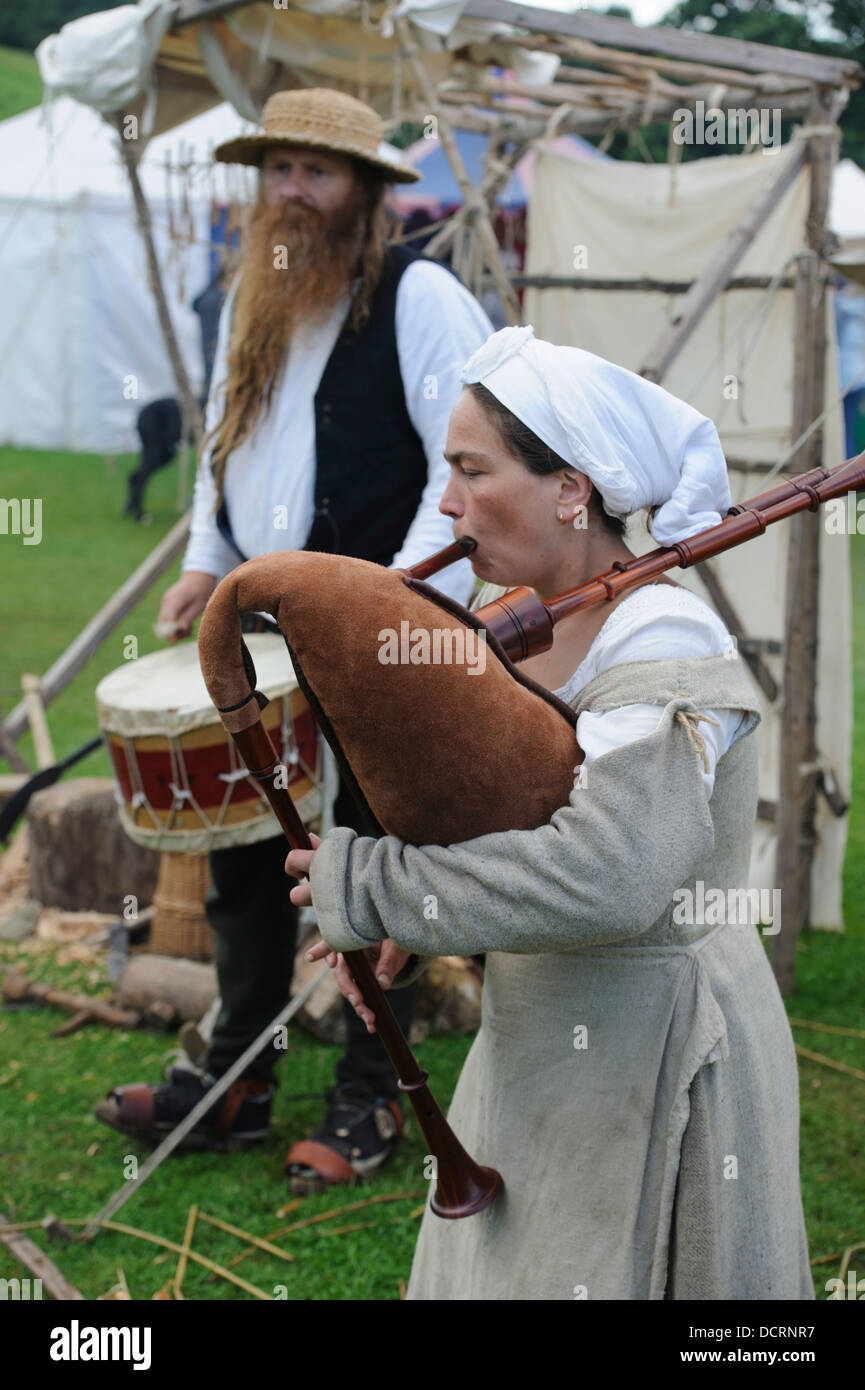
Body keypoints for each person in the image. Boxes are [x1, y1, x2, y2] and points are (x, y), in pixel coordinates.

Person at [288, 325, 815, 1300]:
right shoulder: (523, 625)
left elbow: (608, 875)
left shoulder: (663, 637)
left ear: (571, 488)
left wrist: (378, 886)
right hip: (542, 1035)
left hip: (659, 1046)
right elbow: (513, 823)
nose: (444, 502)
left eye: (470, 471)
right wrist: (419, 929)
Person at [97, 88, 493, 1192]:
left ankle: (373, 1095)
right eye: (278, 170)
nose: (292, 193)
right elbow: (223, 450)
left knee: (370, 869)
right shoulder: (249, 300)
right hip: (258, 640)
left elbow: (461, 471)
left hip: (382, 641)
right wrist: (201, 560)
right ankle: (237, 1077)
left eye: (317, 173)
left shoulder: (422, 300)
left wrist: (378, 599)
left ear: (368, 191)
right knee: (244, 862)